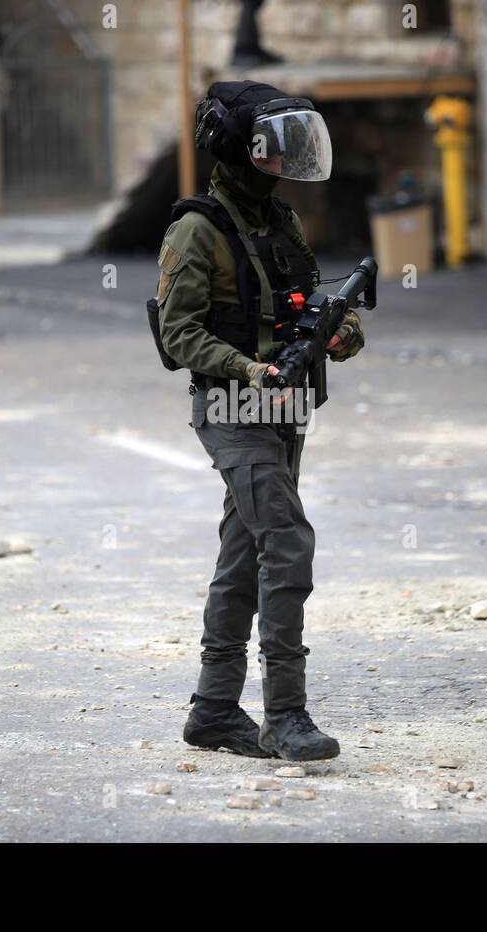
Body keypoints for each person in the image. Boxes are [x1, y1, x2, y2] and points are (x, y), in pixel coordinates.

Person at [153, 81, 364, 761]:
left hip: (284, 410)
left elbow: (313, 305)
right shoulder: (197, 230)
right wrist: (247, 369)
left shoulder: (281, 224)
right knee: (288, 540)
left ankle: (215, 711)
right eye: (275, 149)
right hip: (231, 409)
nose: (287, 160)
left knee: (243, 557)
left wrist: (338, 333)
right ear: (238, 150)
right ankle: (286, 715)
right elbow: (179, 334)